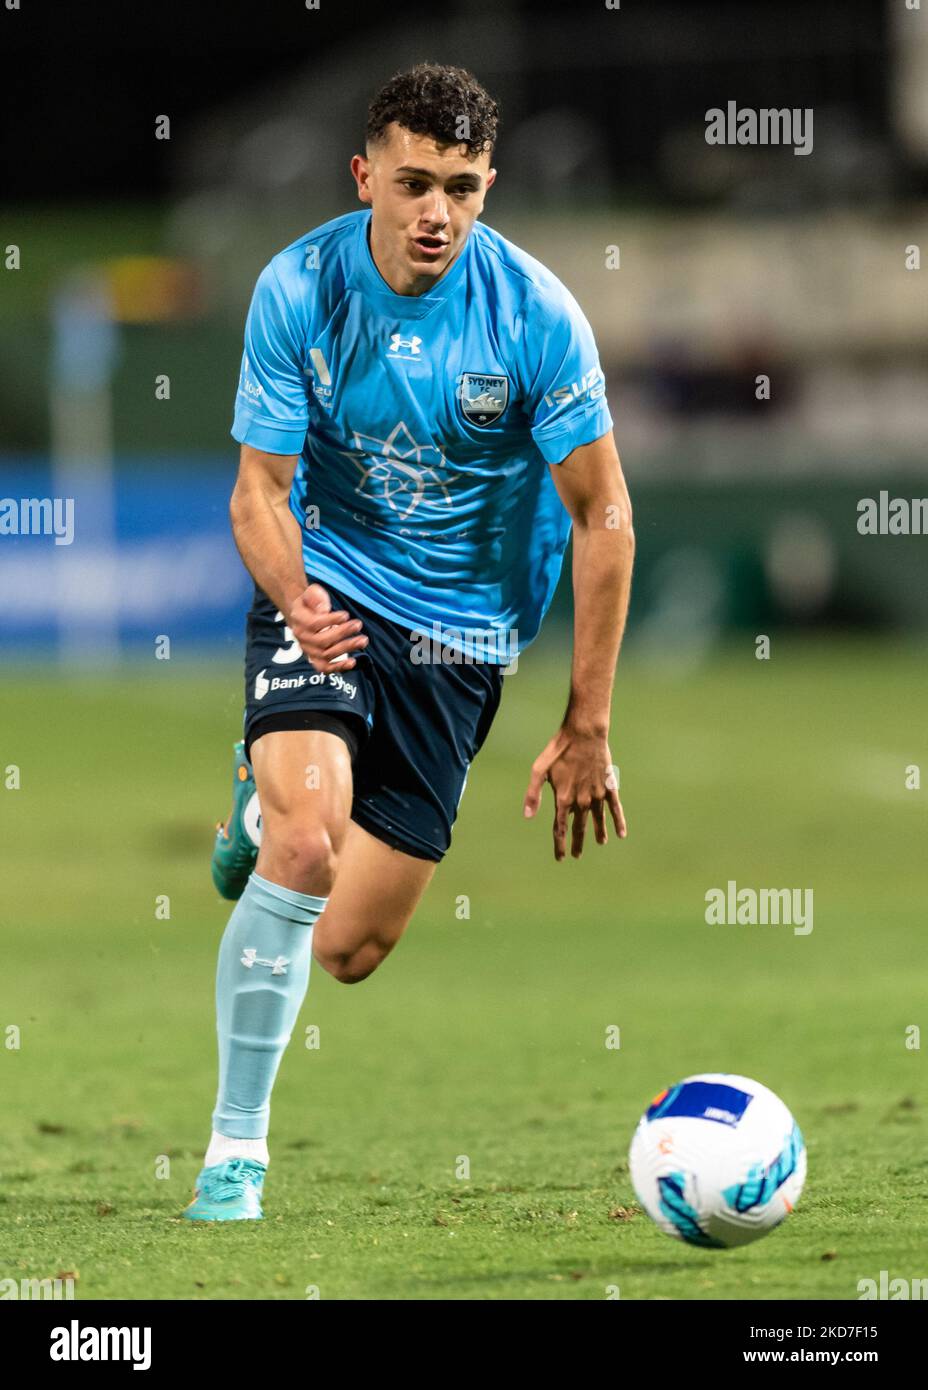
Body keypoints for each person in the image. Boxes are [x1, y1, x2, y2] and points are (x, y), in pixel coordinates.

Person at [185, 63, 634, 1221]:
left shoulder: (533, 314)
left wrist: (587, 722)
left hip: (464, 635)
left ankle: (250, 817)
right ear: (365, 176)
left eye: (464, 187)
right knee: (304, 846)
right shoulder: (300, 287)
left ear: (490, 186)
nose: (437, 212)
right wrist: (293, 597)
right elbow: (257, 492)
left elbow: (602, 514)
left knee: (347, 948)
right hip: (328, 583)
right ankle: (236, 1151)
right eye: (414, 182)